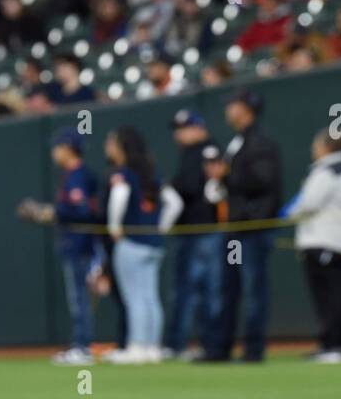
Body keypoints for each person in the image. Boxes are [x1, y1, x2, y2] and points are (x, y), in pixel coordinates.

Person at [204, 90, 282, 363]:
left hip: (252, 230)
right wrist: (222, 180)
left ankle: (252, 350)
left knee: (252, 290)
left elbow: (263, 181)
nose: (228, 111)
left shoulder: (259, 142)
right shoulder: (238, 142)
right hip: (235, 230)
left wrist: (228, 175)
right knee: (228, 289)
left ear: (246, 109)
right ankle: (219, 348)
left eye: (232, 105)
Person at [18, 131, 101, 365]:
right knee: (78, 298)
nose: (54, 152)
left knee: (80, 298)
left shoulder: (77, 175)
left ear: (68, 148)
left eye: (58, 147)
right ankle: (81, 344)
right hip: (76, 243)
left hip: (81, 244)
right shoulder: (72, 175)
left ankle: (82, 347)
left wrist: (52, 212)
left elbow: (83, 212)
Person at [104, 126, 183, 364]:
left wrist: (114, 226)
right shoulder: (153, 174)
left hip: (131, 242)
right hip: (154, 244)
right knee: (150, 297)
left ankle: (137, 347)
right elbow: (175, 203)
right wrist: (162, 228)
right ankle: (151, 348)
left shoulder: (124, 174)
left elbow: (119, 196)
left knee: (134, 298)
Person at [287, 131, 341, 363]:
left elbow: (308, 203)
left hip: (325, 240)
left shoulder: (327, 170)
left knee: (330, 295)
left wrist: (289, 214)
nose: (314, 149)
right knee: (339, 292)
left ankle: (333, 345)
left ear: (327, 147)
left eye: (316, 144)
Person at [164, 109, 223, 361]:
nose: (179, 134)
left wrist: (170, 185)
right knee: (187, 291)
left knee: (205, 291)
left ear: (199, 128)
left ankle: (206, 344)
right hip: (189, 230)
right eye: (178, 129)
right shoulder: (189, 152)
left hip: (205, 230)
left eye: (185, 128)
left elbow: (191, 186)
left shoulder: (208, 150)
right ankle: (179, 344)